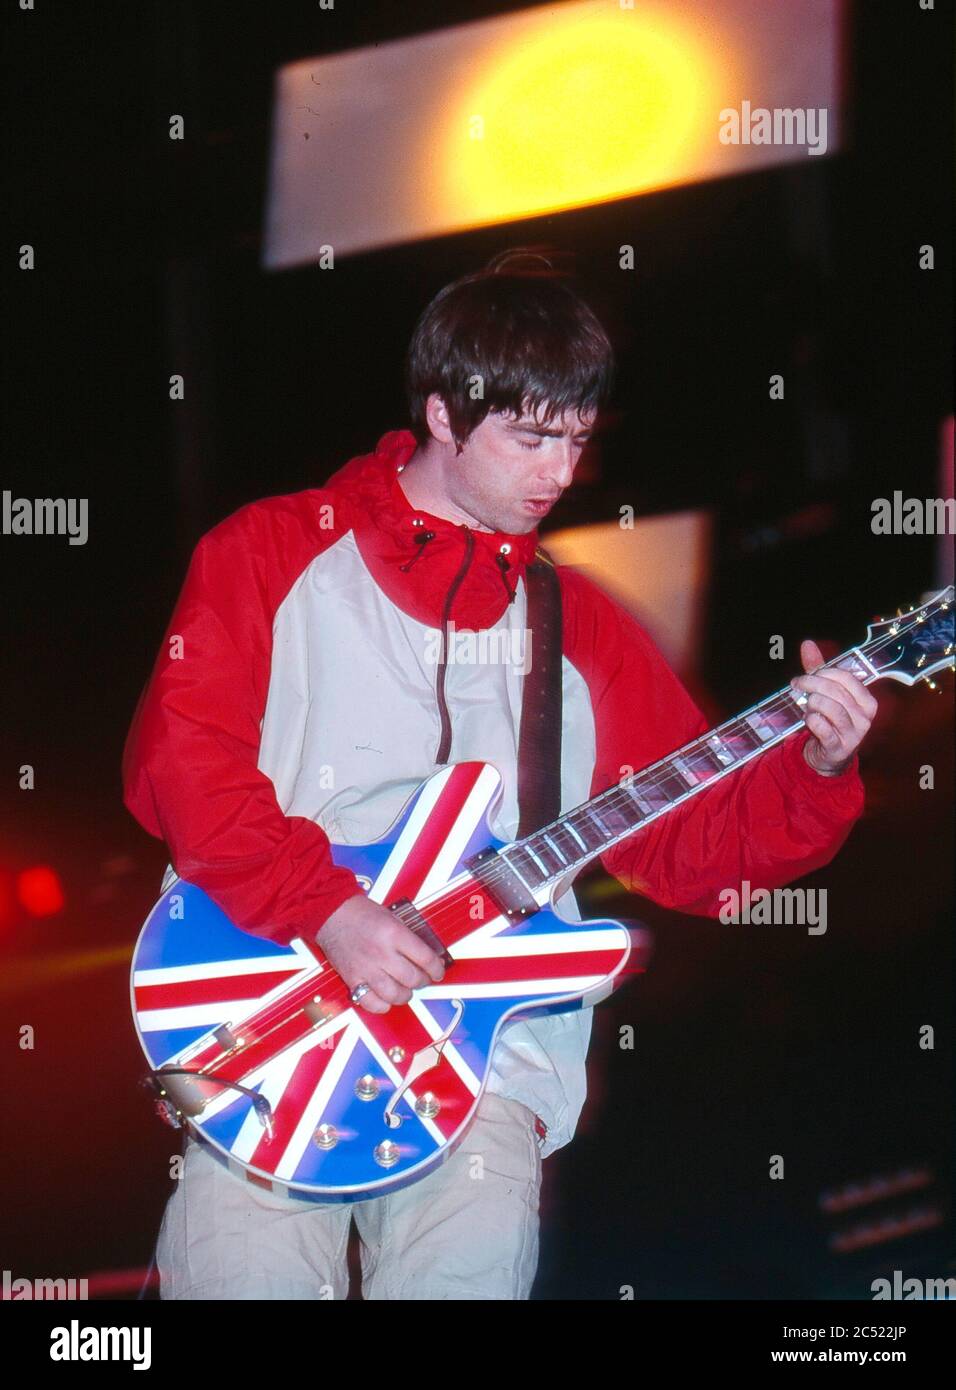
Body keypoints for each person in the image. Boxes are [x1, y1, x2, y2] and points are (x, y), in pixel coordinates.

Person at [122, 249, 877, 1300]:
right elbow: (183, 764)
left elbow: (689, 849)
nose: (557, 473)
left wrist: (813, 764)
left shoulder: (585, 629)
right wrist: (327, 906)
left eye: (573, 439)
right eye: (529, 437)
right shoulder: (270, 553)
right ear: (440, 413)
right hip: (270, 1016)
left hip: (485, 1066)